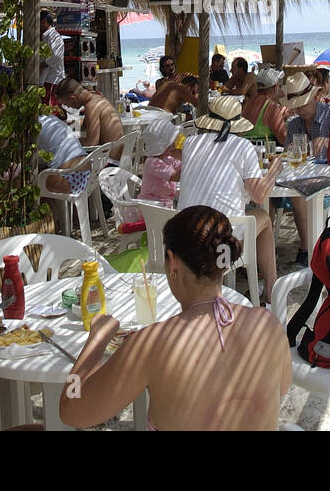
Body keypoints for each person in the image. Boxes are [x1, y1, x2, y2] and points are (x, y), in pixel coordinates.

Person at [60, 206, 291, 430]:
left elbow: (72, 408)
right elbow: (280, 387)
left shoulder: (153, 343)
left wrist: (96, 340)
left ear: (172, 262)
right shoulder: (268, 324)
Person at [178, 95, 283, 301]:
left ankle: (264, 287)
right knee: (264, 217)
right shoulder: (242, 146)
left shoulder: (190, 144)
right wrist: (273, 172)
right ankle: (271, 290)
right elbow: (259, 194)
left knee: (253, 216)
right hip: (222, 239)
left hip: (188, 233)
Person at [280, 72, 330, 265]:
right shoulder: (295, 124)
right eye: (295, 106)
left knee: (298, 196)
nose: (299, 110)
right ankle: (307, 247)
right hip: (305, 179)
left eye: (303, 104)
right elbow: (290, 155)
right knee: (295, 194)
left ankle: (310, 250)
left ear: (314, 97)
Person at [0, 113, 89, 224]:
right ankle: (49, 222)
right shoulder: (49, 119)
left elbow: (1, 157)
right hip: (85, 175)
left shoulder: (28, 130)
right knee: (31, 176)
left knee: (0, 180)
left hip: (67, 179)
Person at [56, 78, 123, 160]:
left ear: (73, 98)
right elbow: (85, 125)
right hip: (117, 158)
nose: (68, 107)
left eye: (66, 104)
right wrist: (64, 125)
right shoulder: (97, 98)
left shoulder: (91, 106)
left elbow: (91, 144)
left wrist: (66, 142)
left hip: (109, 162)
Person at [240, 65, 290, 146]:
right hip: (263, 154)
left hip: (246, 151)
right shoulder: (271, 107)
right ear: (275, 87)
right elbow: (284, 139)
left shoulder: (247, 104)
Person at [138, 116, 181, 205]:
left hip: (165, 202)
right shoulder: (152, 162)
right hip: (151, 204)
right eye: (171, 143)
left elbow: (179, 166)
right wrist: (188, 163)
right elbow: (175, 177)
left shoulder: (168, 158)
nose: (174, 145)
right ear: (162, 146)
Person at [39, 11, 66, 101]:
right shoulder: (45, 36)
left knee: (51, 109)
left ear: (44, 22)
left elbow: (55, 57)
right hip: (46, 80)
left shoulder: (54, 36)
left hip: (53, 79)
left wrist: (41, 65)